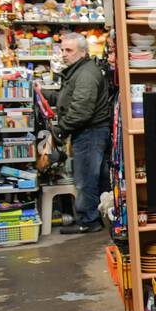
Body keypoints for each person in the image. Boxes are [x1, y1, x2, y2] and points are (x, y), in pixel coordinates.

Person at [53, 32, 114, 233]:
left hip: (90, 132)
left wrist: (61, 129)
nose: (64, 54)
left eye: (69, 50)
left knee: (86, 178)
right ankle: (98, 217)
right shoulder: (79, 71)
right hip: (91, 132)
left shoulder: (86, 73)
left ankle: (88, 221)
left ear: (82, 52)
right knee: (96, 176)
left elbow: (81, 110)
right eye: (62, 49)